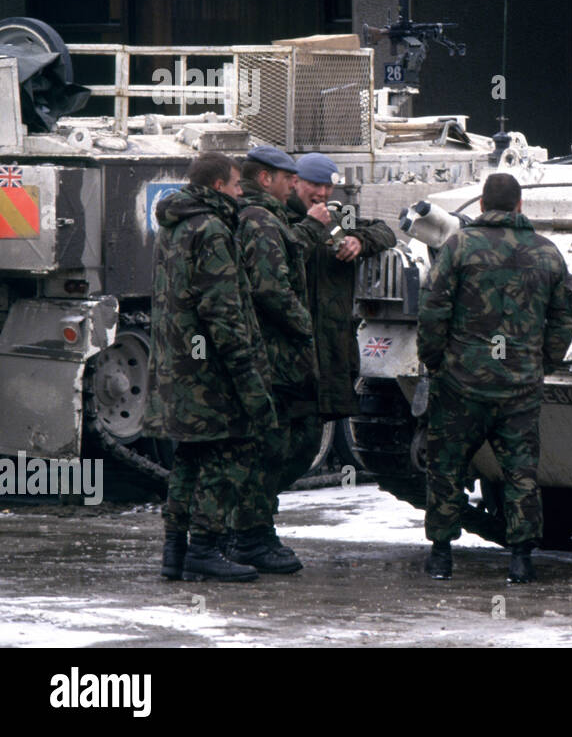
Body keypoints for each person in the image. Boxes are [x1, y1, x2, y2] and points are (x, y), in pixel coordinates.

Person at [417, 172, 572, 583]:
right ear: (520, 205)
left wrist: (434, 360)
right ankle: (521, 558)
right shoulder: (546, 252)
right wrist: (546, 357)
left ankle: (441, 555)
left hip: (461, 383)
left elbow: (433, 306)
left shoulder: (458, 247)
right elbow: (568, 309)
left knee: (447, 467)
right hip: (520, 385)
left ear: (481, 206)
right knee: (521, 473)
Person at [144, 151, 275, 582]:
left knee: (188, 457)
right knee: (226, 457)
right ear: (219, 186)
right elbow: (222, 310)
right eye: (237, 185)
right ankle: (204, 549)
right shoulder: (213, 228)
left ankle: (173, 552)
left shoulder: (174, 224)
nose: (242, 192)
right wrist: (246, 374)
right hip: (210, 373)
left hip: (178, 367)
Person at [228, 145, 331, 574]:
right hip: (274, 358)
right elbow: (271, 289)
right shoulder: (261, 220)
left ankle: (250, 530)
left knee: (286, 442)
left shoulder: (260, 216)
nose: (297, 183)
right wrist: (306, 325)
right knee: (276, 446)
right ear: (267, 178)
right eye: (290, 177)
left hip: (270, 356)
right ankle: (251, 535)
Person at [284, 152, 396, 484]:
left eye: (326, 187)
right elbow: (282, 257)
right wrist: (311, 226)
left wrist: (358, 241)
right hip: (293, 351)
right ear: (295, 183)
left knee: (306, 443)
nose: (321, 193)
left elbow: (384, 231)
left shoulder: (336, 221)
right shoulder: (279, 219)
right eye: (313, 185)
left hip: (329, 350)